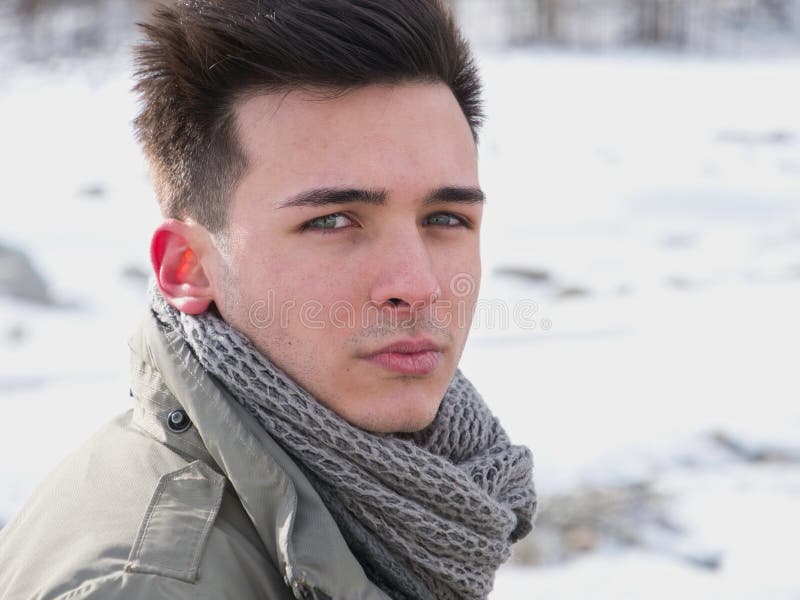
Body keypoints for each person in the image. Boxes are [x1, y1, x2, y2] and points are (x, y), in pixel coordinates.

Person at [0, 1, 536, 598]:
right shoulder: (148, 583)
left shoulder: (414, 503)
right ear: (188, 268)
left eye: (445, 217)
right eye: (333, 221)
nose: (416, 285)